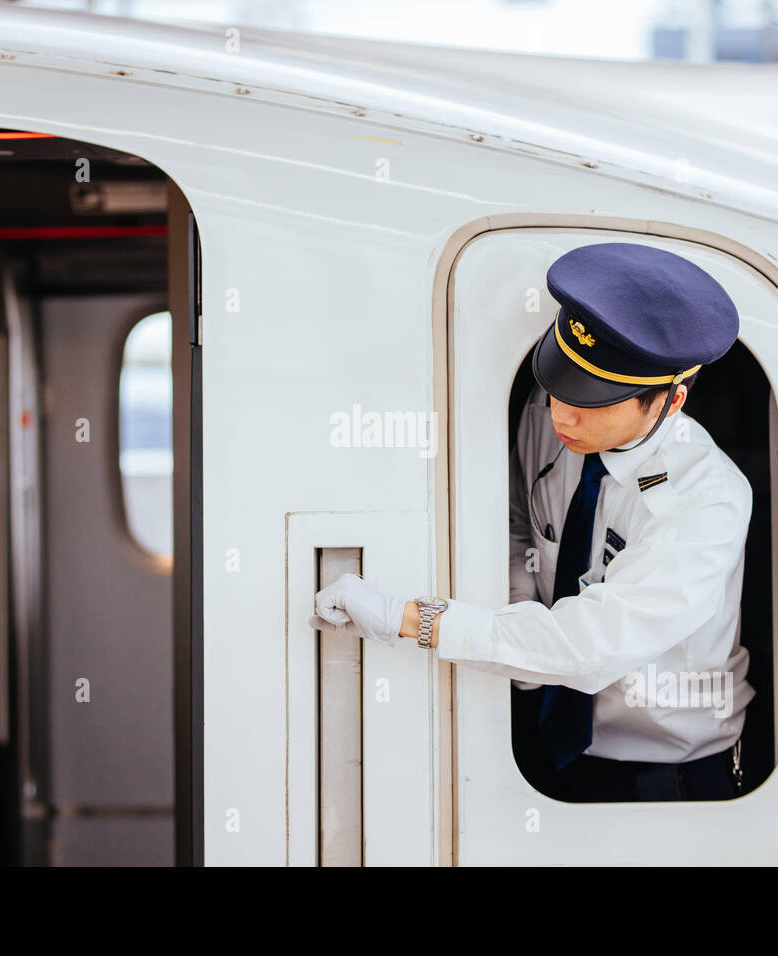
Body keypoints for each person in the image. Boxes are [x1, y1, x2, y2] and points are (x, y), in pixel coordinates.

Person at [310, 242, 755, 803]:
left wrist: (408, 618)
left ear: (669, 402)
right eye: (558, 388)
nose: (562, 415)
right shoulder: (550, 421)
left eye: (593, 401)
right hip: (547, 737)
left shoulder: (708, 501)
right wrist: (519, 619)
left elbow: (591, 646)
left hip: (665, 774)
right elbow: (522, 518)